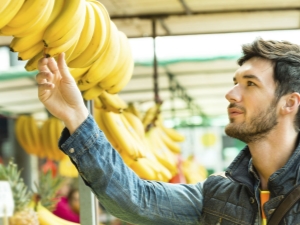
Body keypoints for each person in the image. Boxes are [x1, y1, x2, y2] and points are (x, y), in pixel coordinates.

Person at [35, 37, 300, 224]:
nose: (231, 94)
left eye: (250, 84)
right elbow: (135, 199)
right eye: (235, 83)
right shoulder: (220, 194)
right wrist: (76, 115)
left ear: (289, 103)